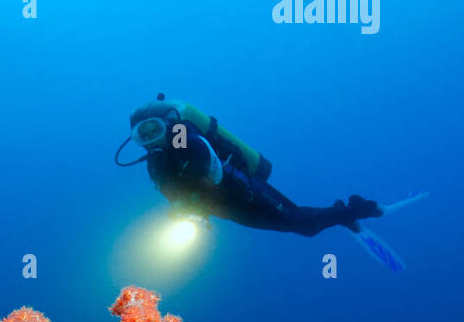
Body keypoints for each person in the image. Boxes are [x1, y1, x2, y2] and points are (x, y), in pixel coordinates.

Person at [116, 95, 424, 267]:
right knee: (301, 224)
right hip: (227, 209)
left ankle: (363, 209)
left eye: (153, 129)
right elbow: (173, 192)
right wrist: (184, 209)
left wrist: (193, 202)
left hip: (244, 192)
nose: (149, 138)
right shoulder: (156, 162)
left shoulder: (187, 140)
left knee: (304, 224)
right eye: (141, 135)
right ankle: (342, 211)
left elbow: (206, 165)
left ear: (167, 124)